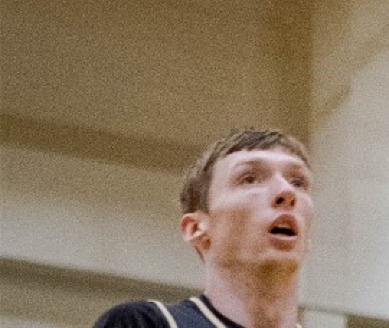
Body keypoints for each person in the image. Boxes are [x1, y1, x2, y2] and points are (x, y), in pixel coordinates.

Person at [91, 130, 314, 328]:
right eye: (249, 179)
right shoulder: (143, 322)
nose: (286, 191)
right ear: (196, 228)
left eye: (297, 182)